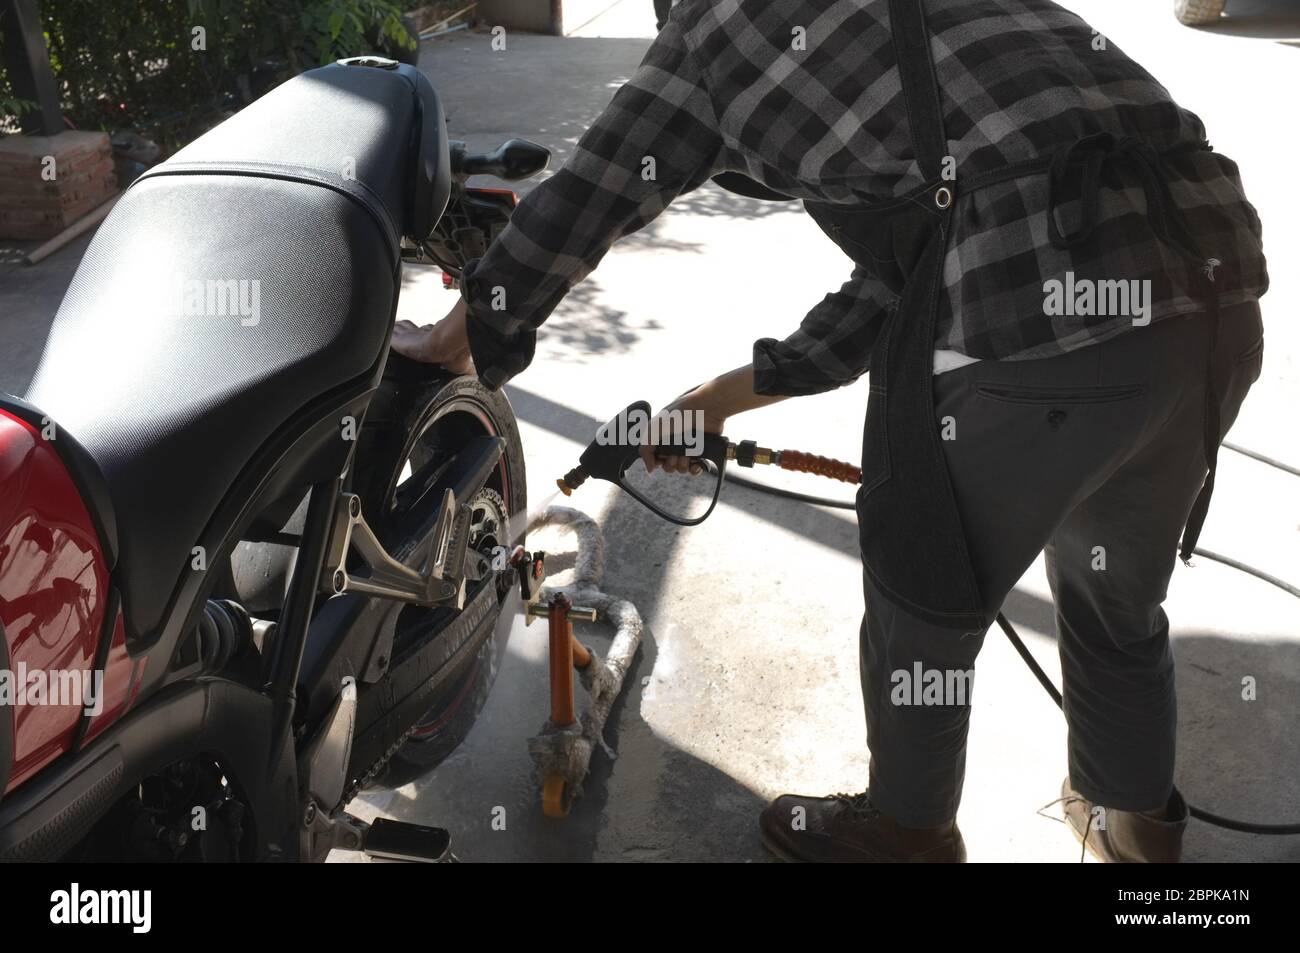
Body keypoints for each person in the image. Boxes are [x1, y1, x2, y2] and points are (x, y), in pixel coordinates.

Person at [391, 0, 1267, 862]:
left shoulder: (717, 23)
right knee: (1116, 599)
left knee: (922, 592)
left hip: (1039, 315)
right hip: (1213, 295)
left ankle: (907, 830)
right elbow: (910, 270)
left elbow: (592, 191)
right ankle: (1142, 836)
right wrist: (716, 400)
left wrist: (457, 334)